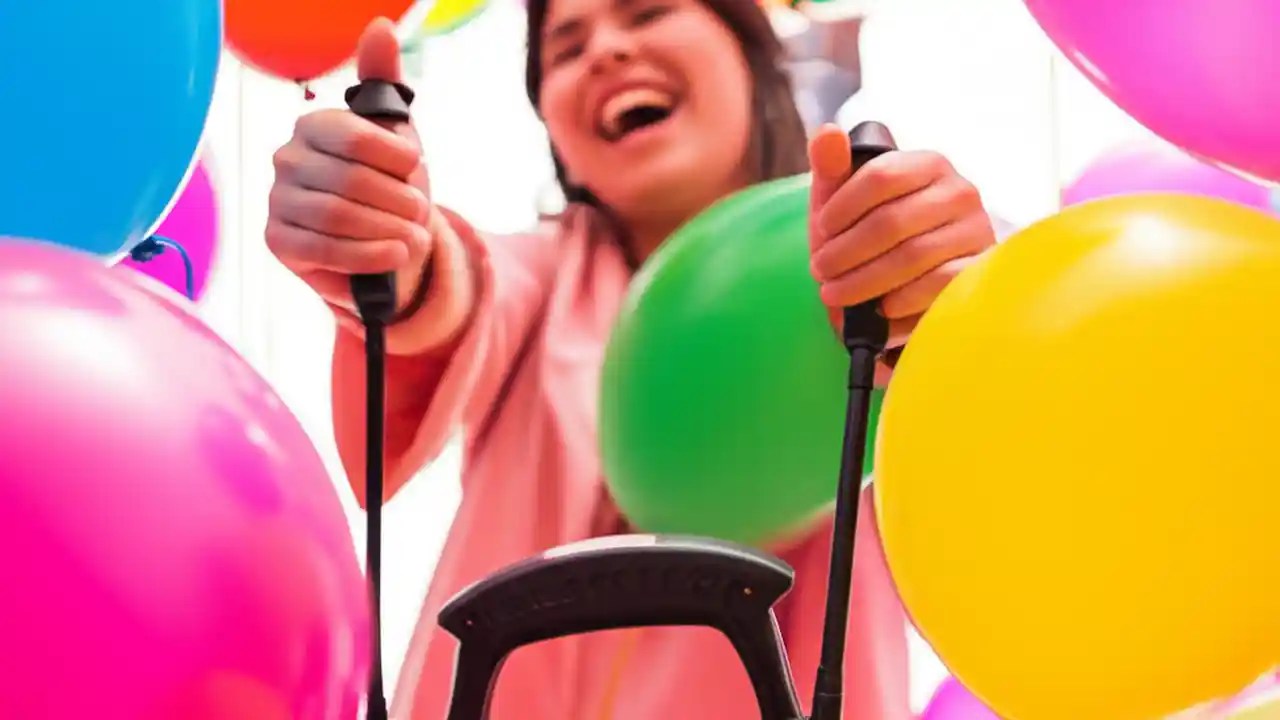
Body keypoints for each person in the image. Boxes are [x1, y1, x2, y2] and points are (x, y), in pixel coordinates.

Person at [265, 0, 996, 715]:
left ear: (751, 55)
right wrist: (393, 248)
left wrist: (937, 312)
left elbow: (982, 503)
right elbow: (459, 286)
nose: (607, 51)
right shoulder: (544, 279)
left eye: (646, 13)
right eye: (567, 47)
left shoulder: (859, 278)